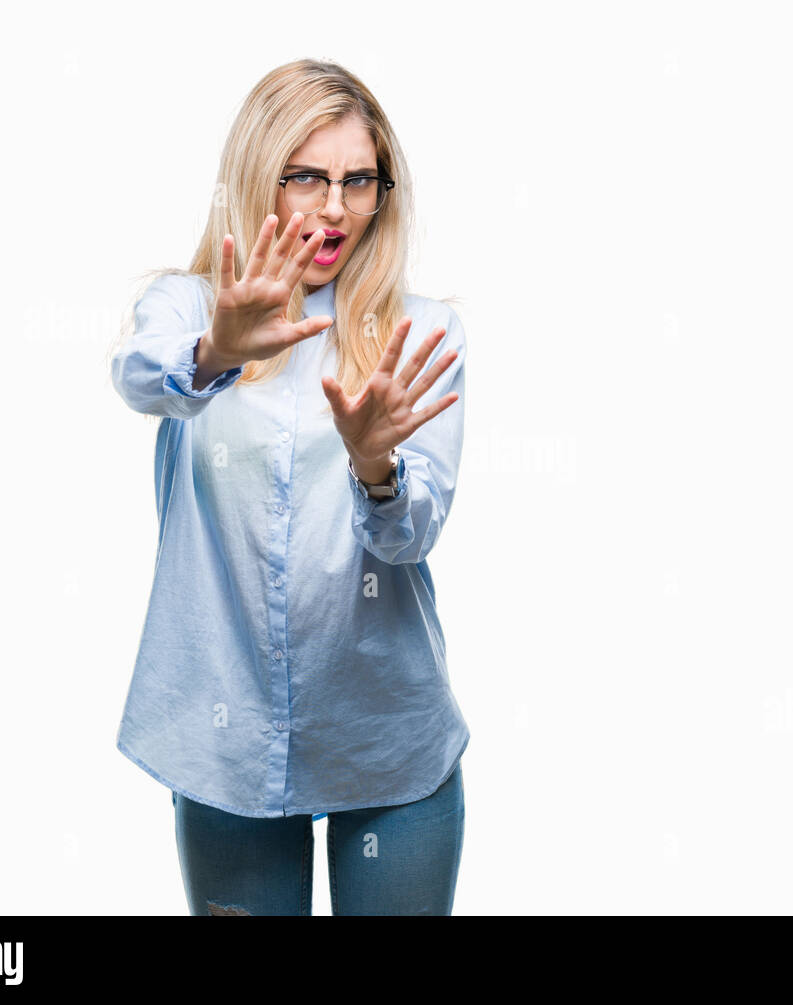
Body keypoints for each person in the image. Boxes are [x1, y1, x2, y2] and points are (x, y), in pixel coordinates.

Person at [108, 59, 470, 916]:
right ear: (258, 176)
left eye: (358, 180)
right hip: (223, 749)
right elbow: (137, 378)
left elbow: (410, 535)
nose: (334, 206)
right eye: (306, 176)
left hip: (390, 748)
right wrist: (219, 351)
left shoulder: (421, 332)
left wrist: (375, 466)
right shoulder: (189, 307)